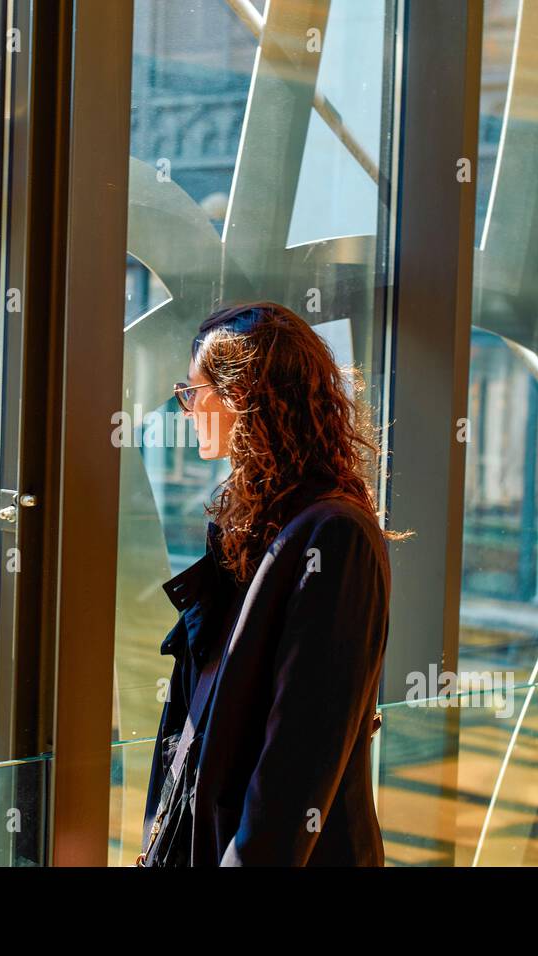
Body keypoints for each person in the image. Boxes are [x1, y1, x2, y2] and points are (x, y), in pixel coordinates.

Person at [138, 301, 399, 867]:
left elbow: (297, 763)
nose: (186, 409)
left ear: (242, 396)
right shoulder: (252, 527)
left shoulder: (336, 535)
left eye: (193, 391)